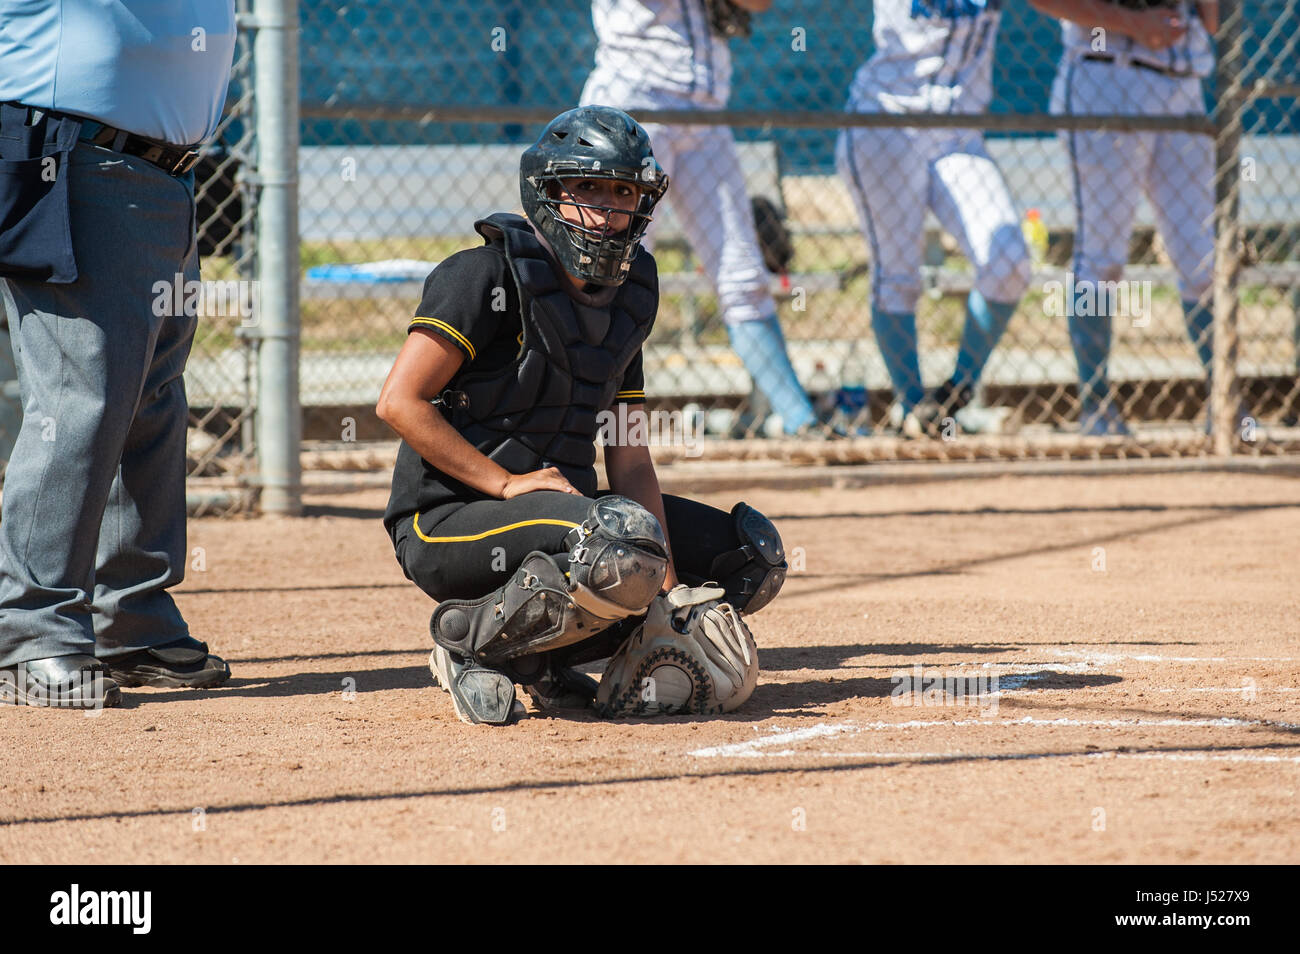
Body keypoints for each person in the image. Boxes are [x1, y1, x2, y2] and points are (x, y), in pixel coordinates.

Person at [377, 106, 785, 725]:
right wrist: (507, 483)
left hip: (572, 515)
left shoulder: (631, 296)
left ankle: (539, 659)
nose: (606, 207)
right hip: (449, 519)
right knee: (619, 541)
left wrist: (667, 600)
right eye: (587, 187)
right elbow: (398, 402)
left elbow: (628, 455)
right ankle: (468, 640)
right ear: (549, 193)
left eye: (623, 191)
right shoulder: (484, 274)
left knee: (752, 557)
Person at [0, 1, 237, 709]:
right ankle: (27, 632)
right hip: (71, 155)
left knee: (151, 397)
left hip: (162, 174)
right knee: (84, 398)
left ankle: (130, 618)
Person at [579, 0, 824, 436]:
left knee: (743, 276)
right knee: (607, 270)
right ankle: (579, 421)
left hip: (706, 112)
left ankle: (800, 421)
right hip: (634, 107)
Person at [837, 0, 1032, 436]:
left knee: (1009, 263)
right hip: (885, 122)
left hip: (959, 131)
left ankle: (954, 395)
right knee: (897, 276)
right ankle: (915, 410)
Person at [1031, 0, 1221, 435]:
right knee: (1101, 258)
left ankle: (1226, 403)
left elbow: (1214, 22)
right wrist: (1133, 23)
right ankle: (1097, 409)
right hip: (1107, 77)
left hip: (1184, 86)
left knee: (1202, 258)